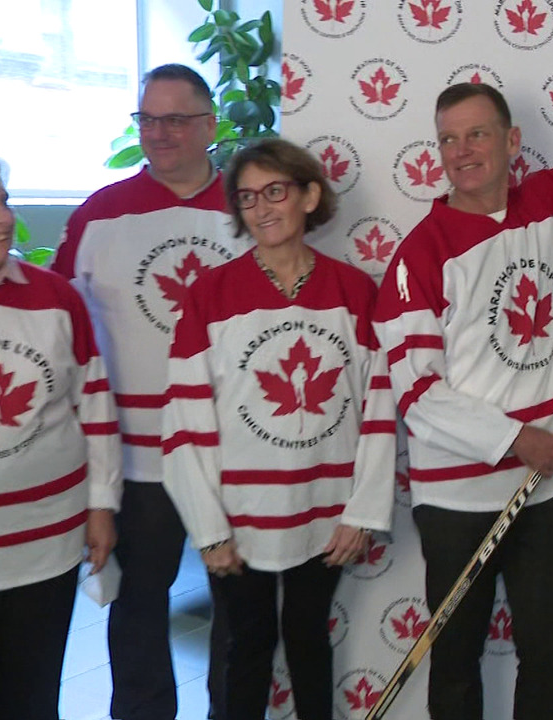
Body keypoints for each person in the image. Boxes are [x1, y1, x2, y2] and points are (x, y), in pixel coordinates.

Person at [372, 0, 553, 716]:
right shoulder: (418, 257)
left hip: (548, 491)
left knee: (548, 656)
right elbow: (418, 395)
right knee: (455, 666)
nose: (462, 150)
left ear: (511, 139)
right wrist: (515, 439)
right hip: (458, 499)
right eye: (448, 139)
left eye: (477, 133)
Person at [162, 138, 395, 720]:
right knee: (246, 648)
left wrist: (363, 512)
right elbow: (184, 422)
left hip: (327, 511)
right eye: (247, 198)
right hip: (239, 517)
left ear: (309, 196)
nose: (262, 208)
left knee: (310, 641)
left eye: (275, 191)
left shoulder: (354, 291)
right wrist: (208, 529)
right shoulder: (209, 296)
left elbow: (378, 412)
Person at [50, 63, 244, 719]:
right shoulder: (99, 215)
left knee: (238, 609)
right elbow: (62, 328)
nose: (158, 133)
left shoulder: (250, 210)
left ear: (210, 126)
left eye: (175, 120)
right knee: (137, 608)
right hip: (137, 457)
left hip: (232, 451)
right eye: (147, 119)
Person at [0, 140, 122, 719]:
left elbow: (97, 407)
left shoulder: (57, 298)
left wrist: (101, 507)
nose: (3, 217)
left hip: (47, 542)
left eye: (4, 200)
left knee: (33, 697)